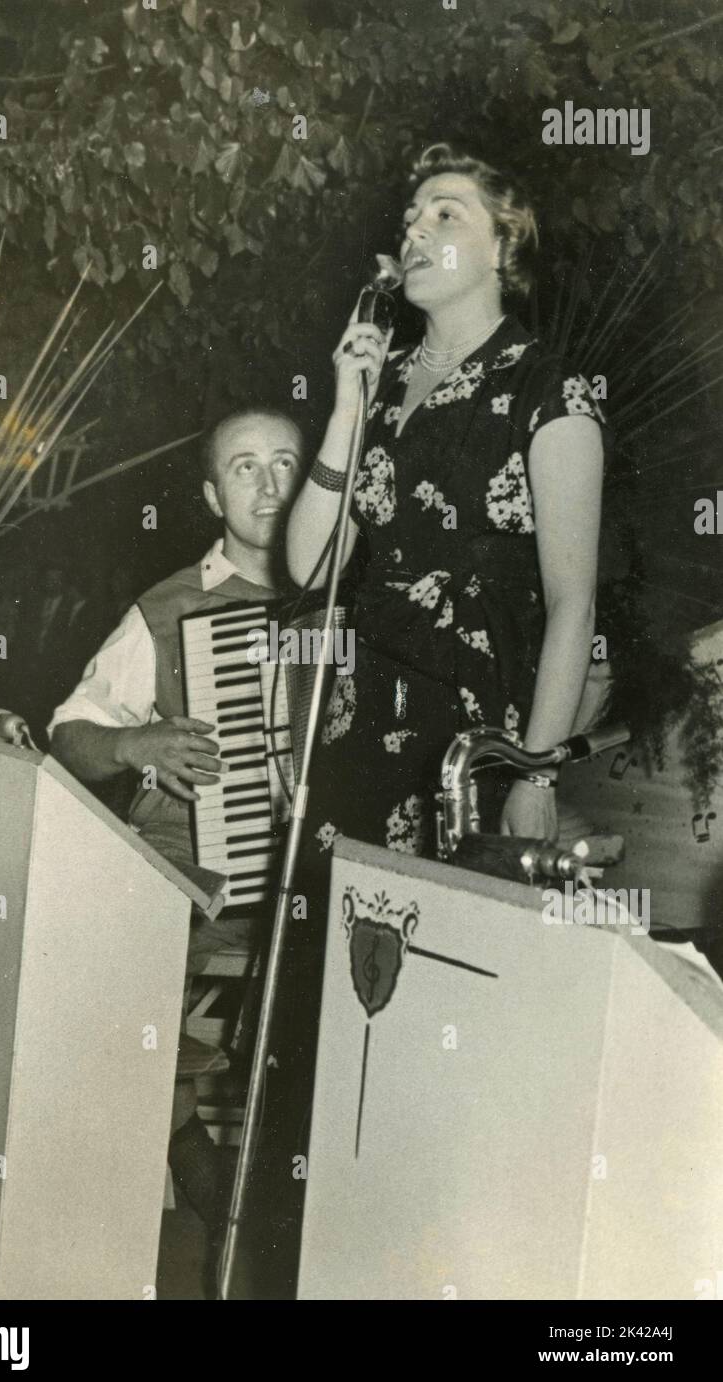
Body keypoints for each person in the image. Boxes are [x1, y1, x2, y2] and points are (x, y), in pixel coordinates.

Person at [287, 141, 606, 867]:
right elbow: (309, 565)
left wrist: (535, 770)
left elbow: (571, 605)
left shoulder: (547, 392)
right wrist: (344, 412)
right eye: (409, 222)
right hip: (358, 713)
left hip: (475, 740)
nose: (415, 234)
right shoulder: (384, 381)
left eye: (445, 215)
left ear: (502, 247)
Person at [49, 408, 303, 1235]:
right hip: (187, 867)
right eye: (243, 468)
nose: (269, 486)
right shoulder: (168, 609)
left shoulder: (345, 599)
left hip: (313, 874)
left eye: (285, 464)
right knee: (101, 969)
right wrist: (135, 740)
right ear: (209, 493)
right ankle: (192, 1151)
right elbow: (69, 733)